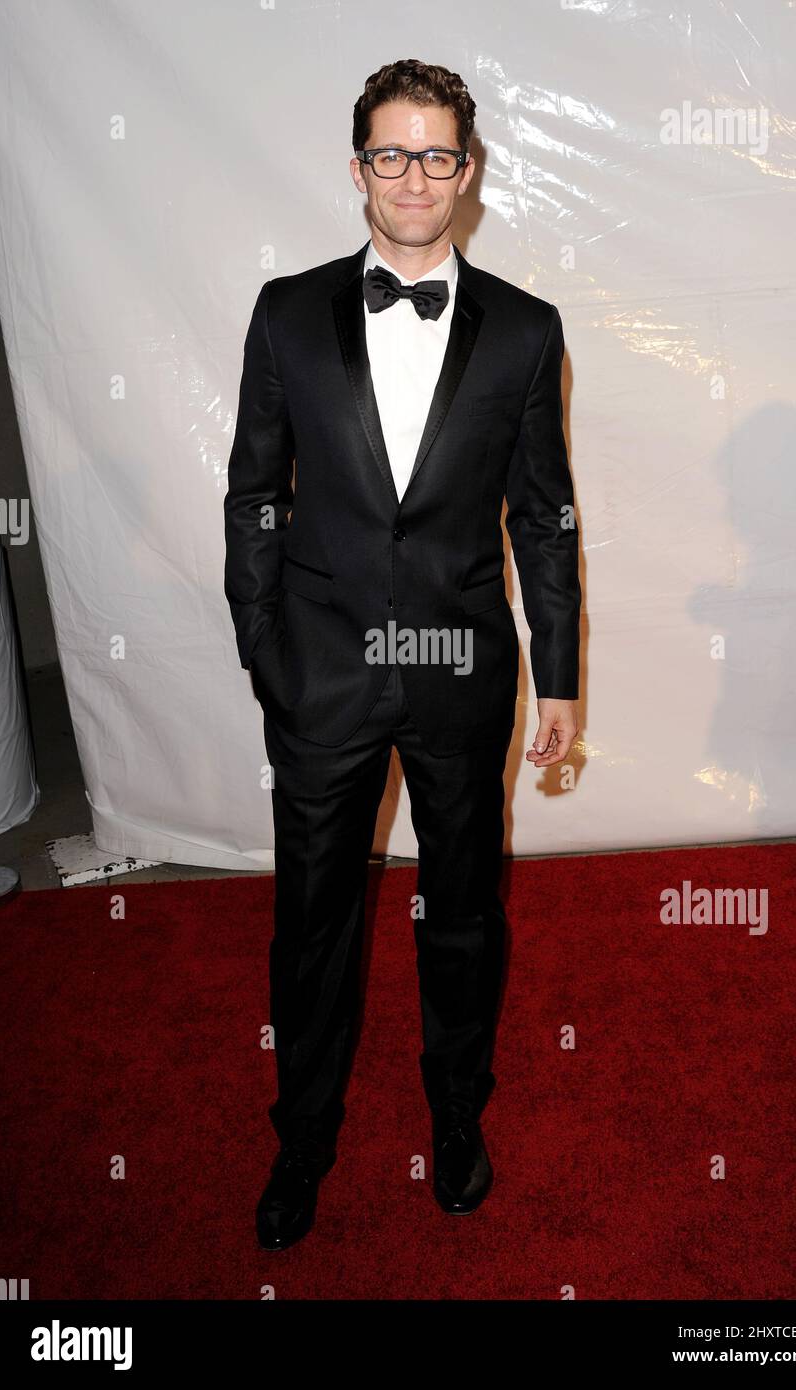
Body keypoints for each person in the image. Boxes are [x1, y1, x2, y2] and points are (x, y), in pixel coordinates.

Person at [223, 57, 581, 1252]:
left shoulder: (529, 331)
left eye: (438, 154)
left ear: (467, 172)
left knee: (463, 913)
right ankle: (305, 1137)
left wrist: (563, 674)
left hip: (463, 671)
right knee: (313, 919)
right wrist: (268, 653)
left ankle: (460, 1117)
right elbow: (253, 495)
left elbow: (543, 512)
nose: (414, 176)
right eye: (391, 152)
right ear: (359, 166)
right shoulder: (285, 312)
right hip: (319, 675)